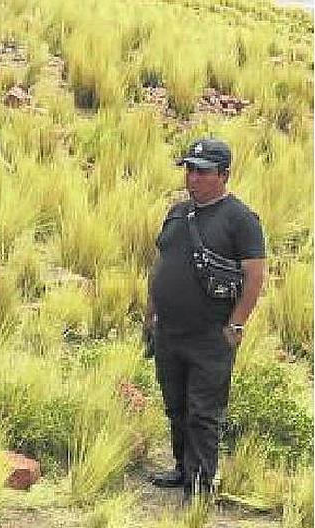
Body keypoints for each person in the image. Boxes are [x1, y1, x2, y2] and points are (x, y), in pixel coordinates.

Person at [146, 138, 266, 499]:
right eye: (189, 169)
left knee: (203, 413)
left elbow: (255, 275)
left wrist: (236, 324)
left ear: (224, 175)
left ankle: (200, 485)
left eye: (202, 171)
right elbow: (161, 264)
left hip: (209, 336)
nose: (193, 178)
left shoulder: (241, 219)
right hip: (169, 331)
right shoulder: (177, 213)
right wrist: (151, 314)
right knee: (176, 405)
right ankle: (183, 469)